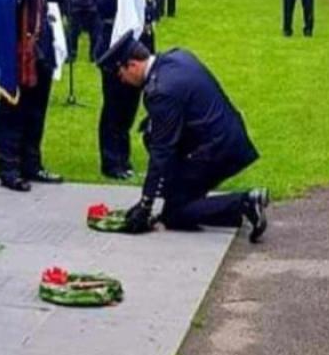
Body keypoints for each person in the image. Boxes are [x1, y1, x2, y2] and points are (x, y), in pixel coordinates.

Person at [97, 31, 269, 240]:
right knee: (152, 138)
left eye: (121, 74)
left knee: (175, 214)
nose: (122, 81)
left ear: (132, 64)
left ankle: (245, 201)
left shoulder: (161, 90)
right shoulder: (176, 57)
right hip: (226, 137)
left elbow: (162, 150)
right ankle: (229, 211)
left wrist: (146, 203)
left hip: (216, 150)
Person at [0, 0, 63, 192]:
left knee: (36, 112)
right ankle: (9, 167)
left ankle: (31, 164)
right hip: (16, 51)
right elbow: (7, 3)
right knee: (14, 111)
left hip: (38, 49)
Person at [94, 0, 155, 180]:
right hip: (115, 52)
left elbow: (150, 11)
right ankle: (111, 161)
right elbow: (103, 8)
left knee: (129, 109)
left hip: (136, 50)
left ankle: (123, 157)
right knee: (114, 109)